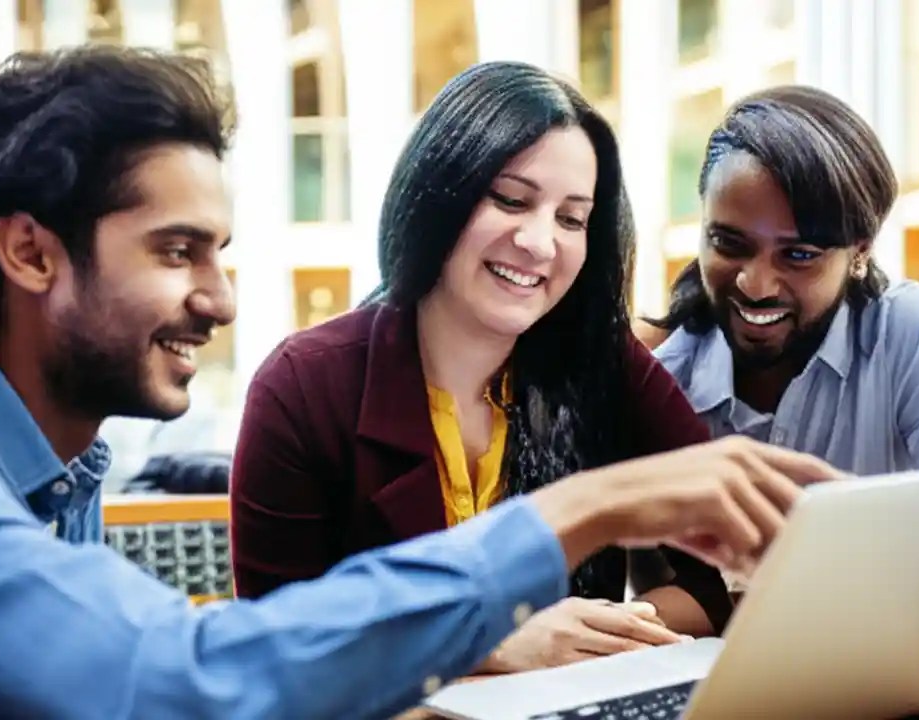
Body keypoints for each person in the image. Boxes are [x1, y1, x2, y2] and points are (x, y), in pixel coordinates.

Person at [0, 46, 837, 719]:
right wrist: (583, 512)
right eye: (177, 252)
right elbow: (179, 679)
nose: (219, 300)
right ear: (32, 254)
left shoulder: (56, 468)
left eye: (220, 254)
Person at [230, 61, 768, 671]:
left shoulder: (608, 367)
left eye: (571, 219)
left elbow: (717, 583)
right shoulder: (303, 385)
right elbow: (271, 650)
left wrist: (590, 637)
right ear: (437, 195)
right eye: (511, 200)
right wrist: (487, 645)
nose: (540, 244)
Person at [641, 86, 919, 475]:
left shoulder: (903, 331)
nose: (755, 285)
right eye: (728, 243)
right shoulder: (660, 379)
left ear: (860, 253)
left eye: (799, 256)